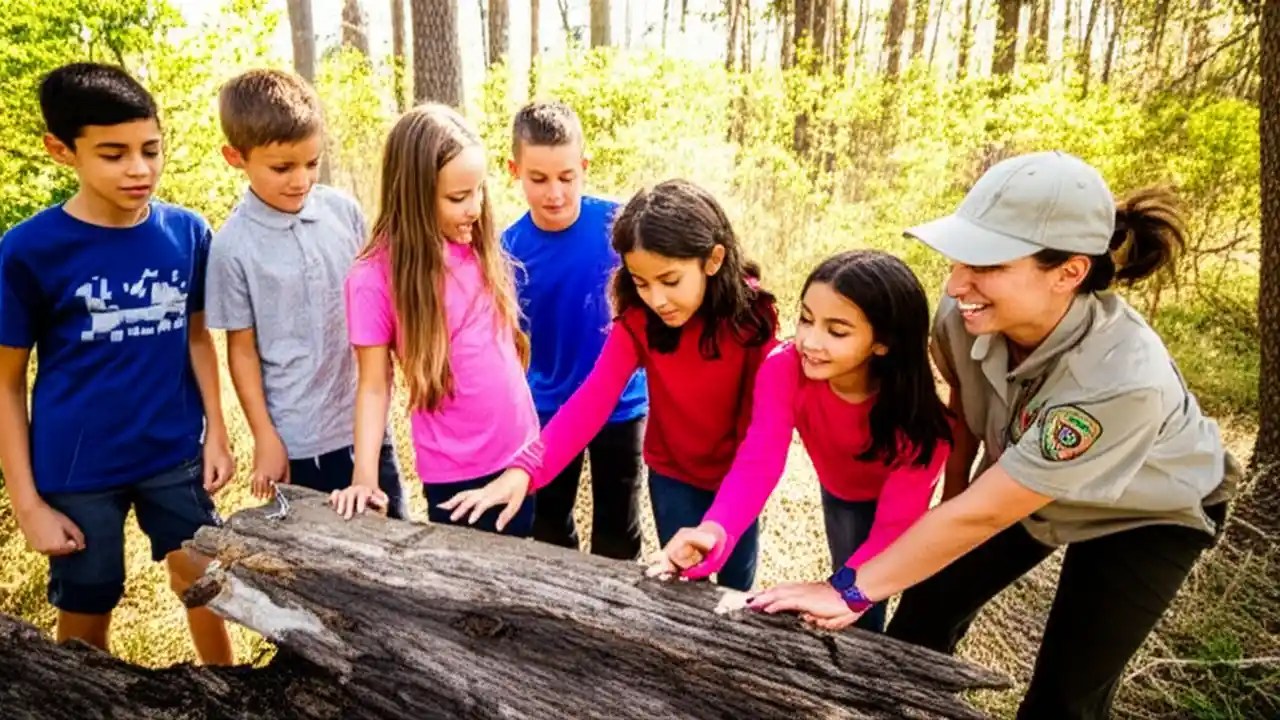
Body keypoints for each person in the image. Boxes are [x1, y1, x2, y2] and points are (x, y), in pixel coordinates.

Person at [743, 151, 1236, 719]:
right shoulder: (963, 316)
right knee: (918, 622)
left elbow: (988, 513)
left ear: (1069, 273)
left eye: (988, 264)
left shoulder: (1120, 382)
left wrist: (849, 588)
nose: (955, 283)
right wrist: (949, 501)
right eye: (958, 258)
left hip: (1147, 511)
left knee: (1064, 697)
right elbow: (964, 420)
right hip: (1016, 487)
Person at [0, 63, 234, 662]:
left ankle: (229, 690)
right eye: (113, 153)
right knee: (87, 610)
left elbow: (199, 339)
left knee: (206, 584)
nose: (139, 169)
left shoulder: (187, 233)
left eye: (150, 149)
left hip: (173, 455)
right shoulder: (28, 250)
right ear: (61, 150)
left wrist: (218, 434)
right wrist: (29, 506)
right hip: (76, 473)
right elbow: (6, 385)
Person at [442, 179, 779, 591]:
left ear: (713, 260)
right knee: (688, 583)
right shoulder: (640, 320)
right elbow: (592, 400)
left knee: (736, 583)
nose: (657, 299)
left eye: (670, 280)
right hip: (673, 472)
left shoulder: (754, 322)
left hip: (738, 475)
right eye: (641, 282)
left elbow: (763, 445)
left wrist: (719, 526)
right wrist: (525, 470)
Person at [650, 250, 952, 632]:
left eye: (837, 331)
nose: (809, 340)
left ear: (884, 341)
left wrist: (847, 590)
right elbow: (758, 462)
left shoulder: (922, 428)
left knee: (861, 600)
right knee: (847, 568)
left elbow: (893, 530)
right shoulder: (785, 367)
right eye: (806, 319)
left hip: (893, 510)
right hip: (838, 491)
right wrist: (714, 529)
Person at [328, 104, 539, 537]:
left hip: (521, 452)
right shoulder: (373, 277)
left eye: (479, 191)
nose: (475, 208)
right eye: (458, 198)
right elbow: (373, 382)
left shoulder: (475, 244)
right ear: (415, 195)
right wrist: (364, 475)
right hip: (457, 472)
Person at [206, 68, 406, 519]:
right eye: (282, 168)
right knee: (322, 569)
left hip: (366, 430)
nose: (301, 180)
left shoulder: (343, 212)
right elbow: (241, 352)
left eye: (312, 164)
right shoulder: (232, 246)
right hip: (298, 441)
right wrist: (265, 436)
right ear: (235, 157)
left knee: (397, 550)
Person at [502, 100, 647, 559]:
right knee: (548, 523)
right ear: (514, 170)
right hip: (544, 407)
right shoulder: (507, 248)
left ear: (584, 166)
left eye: (567, 177)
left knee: (618, 531)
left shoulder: (621, 227)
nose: (555, 193)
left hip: (621, 406)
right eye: (538, 179)